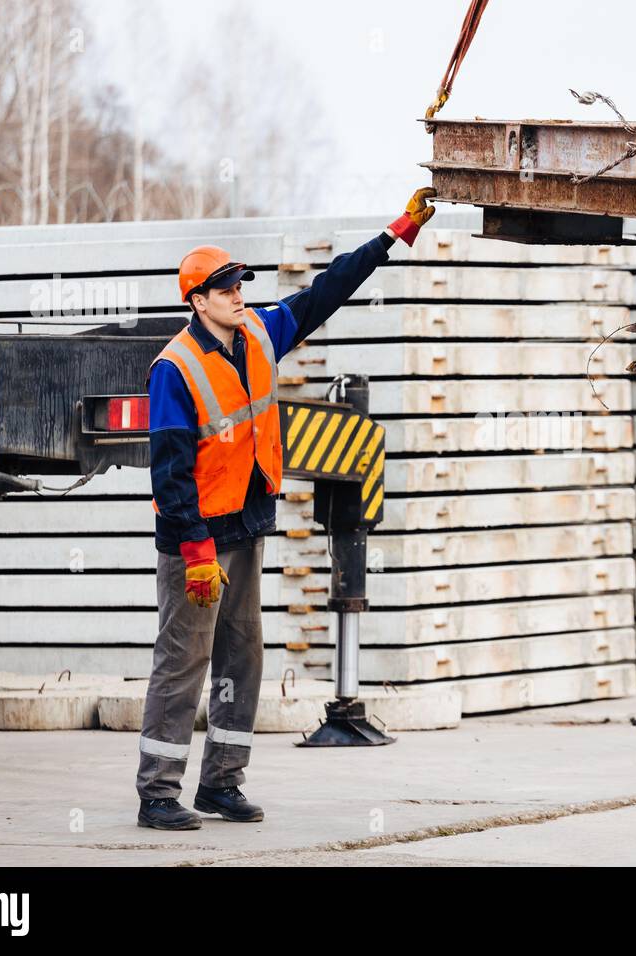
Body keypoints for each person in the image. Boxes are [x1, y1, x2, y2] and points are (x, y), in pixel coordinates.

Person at [135, 188, 436, 830]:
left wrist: (394, 233)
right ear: (197, 301)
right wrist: (193, 555)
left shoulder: (260, 335)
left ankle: (221, 783)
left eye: (240, 285)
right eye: (225, 289)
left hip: (243, 529)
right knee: (183, 661)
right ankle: (158, 793)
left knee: (242, 657)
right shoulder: (175, 368)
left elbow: (327, 291)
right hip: (196, 541)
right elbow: (170, 471)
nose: (239, 295)